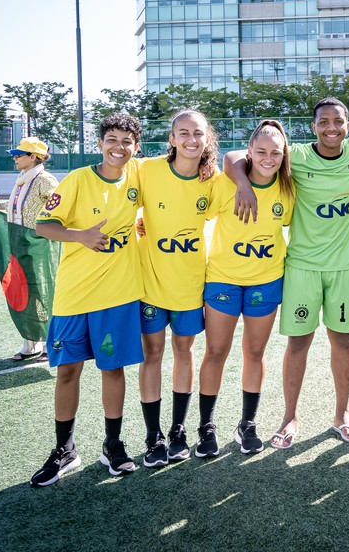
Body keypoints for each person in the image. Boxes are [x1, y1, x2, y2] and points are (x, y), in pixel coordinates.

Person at [223, 98, 349, 446]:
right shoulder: (297, 157)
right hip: (303, 266)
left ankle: (342, 414)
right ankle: (289, 417)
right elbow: (232, 158)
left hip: (345, 267)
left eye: (338, 121)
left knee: (342, 341)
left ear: (348, 125)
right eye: (323, 122)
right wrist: (243, 184)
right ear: (313, 126)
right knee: (298, 343)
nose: (331, 128)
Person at [30, 114, 145, 487]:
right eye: (112, 139)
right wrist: (80, 235)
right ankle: (64, 449)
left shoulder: (137, 179)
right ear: (100, 143)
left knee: (113, 369)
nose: (119, 147)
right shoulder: (78, 179)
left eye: (126, 142)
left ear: (136, 147)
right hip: (74, 295)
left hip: (119, 293)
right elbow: (43, 226)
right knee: (68, 371)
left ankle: (112, 445)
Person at [202, 120, 294, 452]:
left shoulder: (288, 188)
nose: (268, 158)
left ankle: (247, 424)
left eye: (276, 152)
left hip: (265, 281)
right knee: (216, 352)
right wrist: (241, 182)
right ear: (250, 151)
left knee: (255, 352)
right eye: (261, 151)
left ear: (284, 155)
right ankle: (206, 426)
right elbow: (229, 160)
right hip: (224, 280)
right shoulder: (227, 184)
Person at [135, 110, 217, 466]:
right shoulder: (147, 170)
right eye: (182, 133)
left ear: (207, 138)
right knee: (152, 354)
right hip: (151, 285)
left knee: (184, 351)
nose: (190, 139)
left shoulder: (211, 180)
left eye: (197, 133)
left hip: (188, 285)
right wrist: (137, 223)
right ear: (171, 139)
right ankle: (152, 435)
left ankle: (178, 430)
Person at [2, 137, 59, 361]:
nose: (15, 158)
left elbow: (60, 206)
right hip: (19, 242)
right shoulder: (22, 179)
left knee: (42, 290)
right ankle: (31, 341)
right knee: (22, 290)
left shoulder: (44, 179)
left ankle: (49, 342)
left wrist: (43, 228)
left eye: (19, 154)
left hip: (38, 244)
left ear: (33, 157)